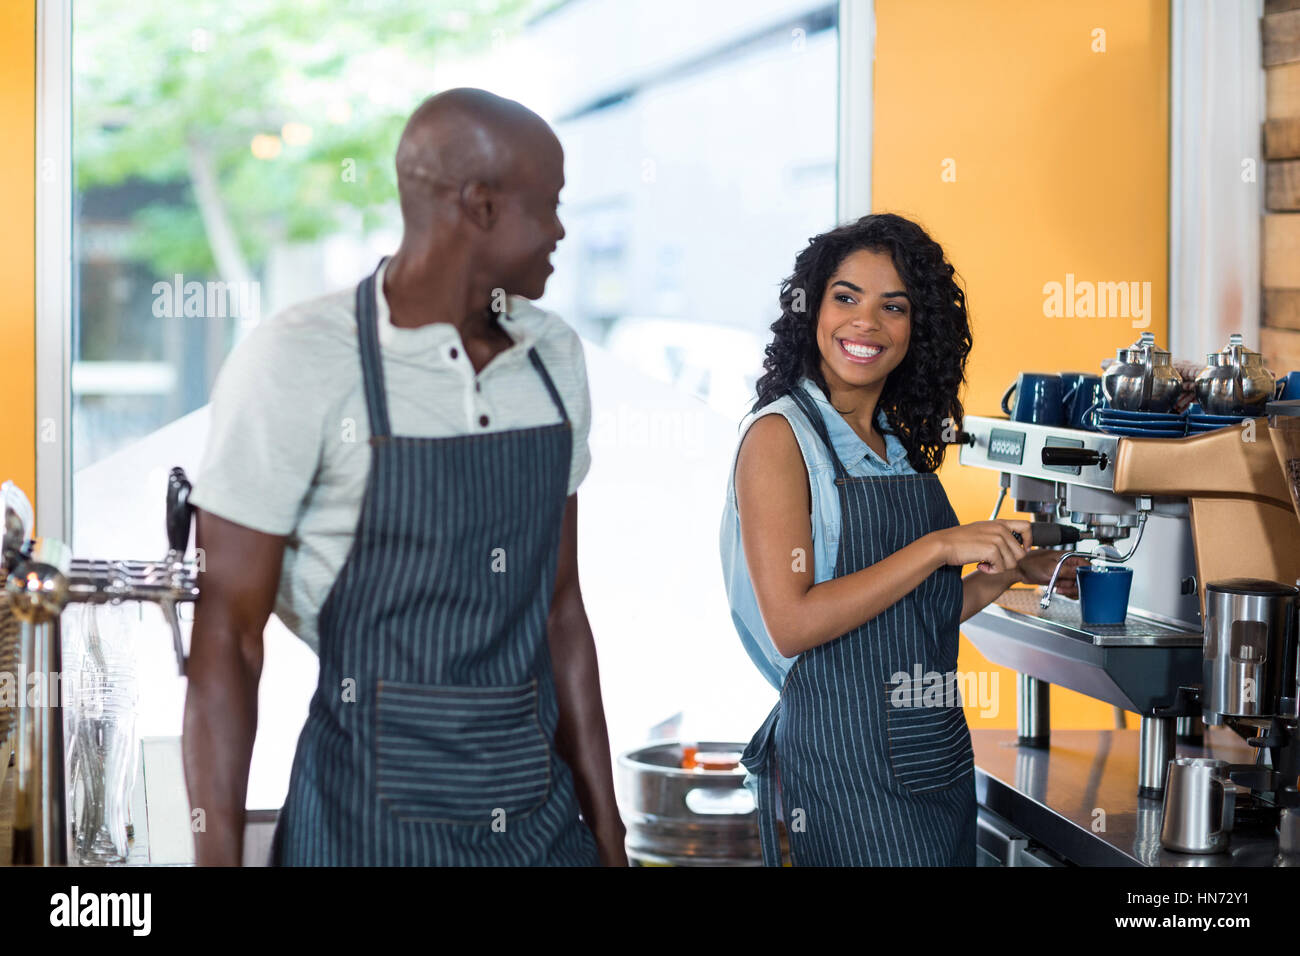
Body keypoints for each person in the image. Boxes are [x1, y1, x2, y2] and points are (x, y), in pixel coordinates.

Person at [182, 89, 625, 866]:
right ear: (480, 207)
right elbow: (227, 636)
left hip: (539, 827)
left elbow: (561, 610)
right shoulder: (298, 359)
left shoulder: (554, 360)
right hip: (360, 830)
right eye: (550, 207)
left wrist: (610, 837)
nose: (560, 232)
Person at [720, 213, 1086, 866]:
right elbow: (793, 624)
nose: (865, 324)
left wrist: (1008, 571)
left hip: (936, 758)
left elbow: (921, 611)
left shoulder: (892, 442)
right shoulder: (781, 439)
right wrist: (939, 546)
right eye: (846, 298)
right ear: (812, 309)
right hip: (845, 768)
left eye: (894, 307)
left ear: (918, 329)